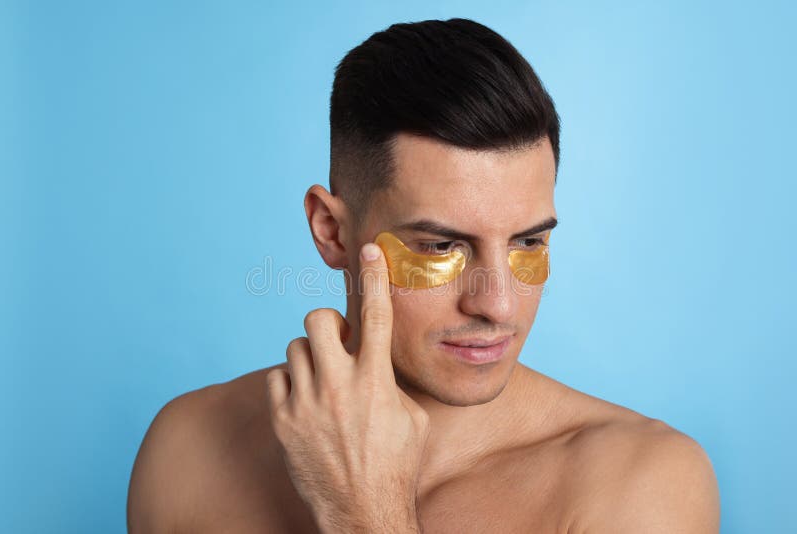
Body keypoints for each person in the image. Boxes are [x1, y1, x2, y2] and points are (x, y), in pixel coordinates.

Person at [127, 17, 720, 533]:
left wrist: (365, 514)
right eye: (441, 246)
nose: (498, 305)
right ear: (331, 232)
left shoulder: (644, 483)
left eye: (529, 241)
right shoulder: (189, 449)